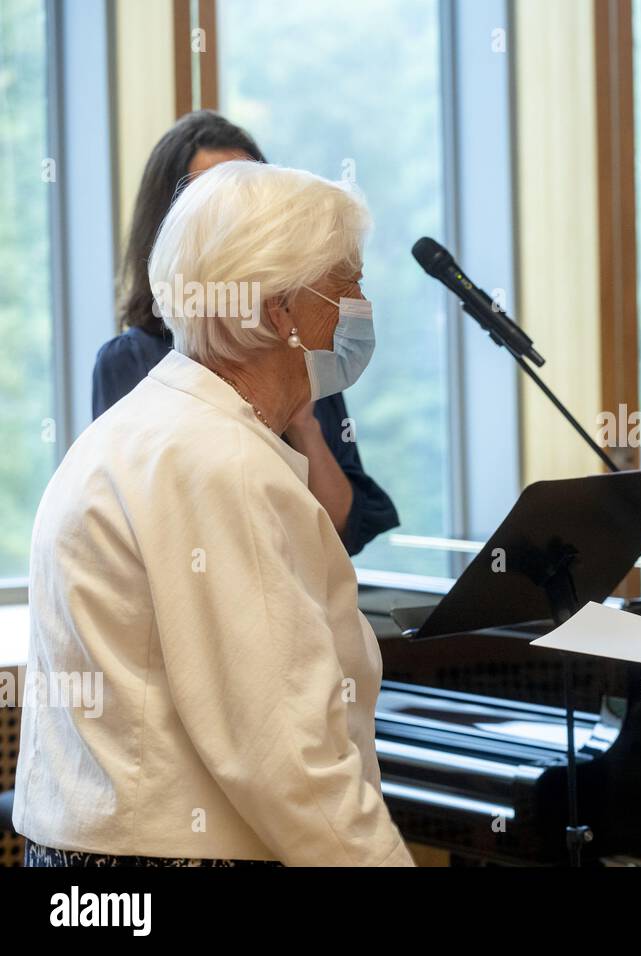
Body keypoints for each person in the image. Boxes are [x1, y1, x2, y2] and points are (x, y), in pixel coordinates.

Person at [15, 160, 415, 866]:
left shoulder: (157, 429)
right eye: (345, 283)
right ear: (275, 311)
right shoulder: (217, 462)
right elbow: (284, 751)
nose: (361, 304)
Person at [94, 109, 397, 556]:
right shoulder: (135, 362)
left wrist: (301, 421)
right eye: (212, 201)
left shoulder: (305, 350)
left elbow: (340, 530)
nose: (236, 216)